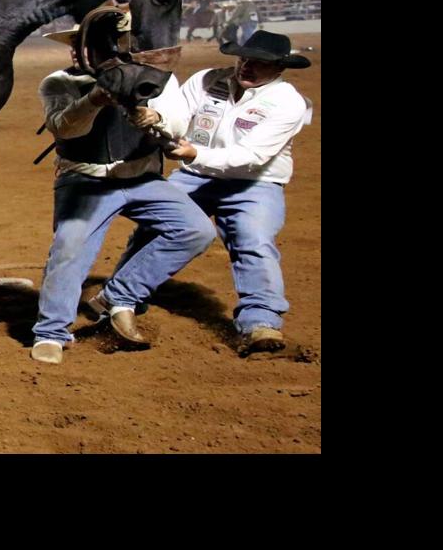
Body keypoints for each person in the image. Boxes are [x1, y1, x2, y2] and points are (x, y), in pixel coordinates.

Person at [110, 30, 313, 355]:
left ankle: (261, 323)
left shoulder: (289, 102)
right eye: (244, 59)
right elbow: (178, 115)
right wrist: (157, 118)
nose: (247, 67)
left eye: (259, 63)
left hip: (255, 182)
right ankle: (122, 298)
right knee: (152, 228)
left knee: (253, 240)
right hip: (196, 175)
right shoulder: (207, 80)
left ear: (279, 68)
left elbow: (252, 156)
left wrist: (194, 154)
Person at [28, 29, 214, 365]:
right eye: (77, 46)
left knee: (196, 229)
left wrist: (157, 118)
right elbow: (63, 127)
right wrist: (94, 100)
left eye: (90, 45)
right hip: (85, 179)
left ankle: (117, 296)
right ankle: (51, 332)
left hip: (141, 176)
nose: (79, 53)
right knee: (70, 248)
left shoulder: (157, 79)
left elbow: (178, 123)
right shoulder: (58, 82)